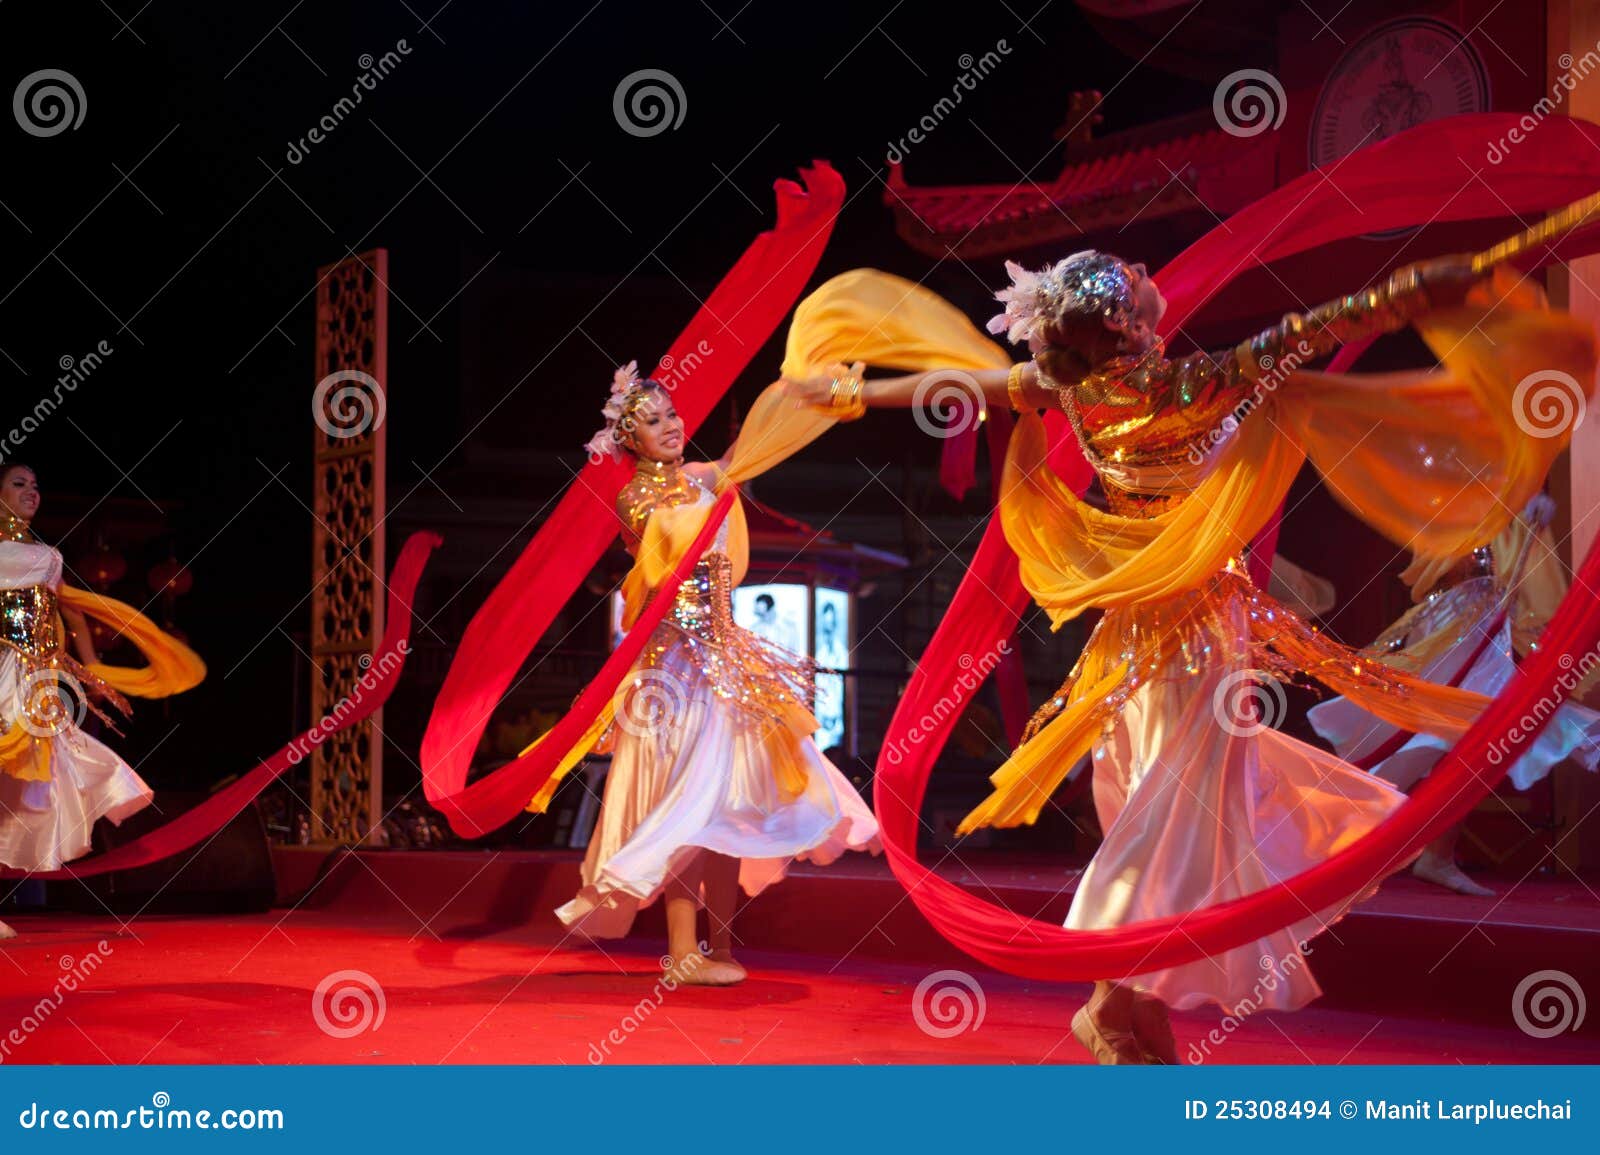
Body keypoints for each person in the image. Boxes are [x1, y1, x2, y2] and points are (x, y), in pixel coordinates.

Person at [783, 247, 1589, 1061]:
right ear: (1128, 321)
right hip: (1193, 632)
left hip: (1145, 626)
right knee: (1175, 811)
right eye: (1136, 280)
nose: (1148, 275)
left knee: (1170, 802)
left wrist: (852, 392)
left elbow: (960, 388)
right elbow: (1309, 332)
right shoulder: (1186, 385)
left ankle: (1141, 1010)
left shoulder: (1076, 389)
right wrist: (1414, 291)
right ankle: (1106, 995)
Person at [544, 364, 879, 985]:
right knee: (687, 803)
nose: (670, 427)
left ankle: (719, 947)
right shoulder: (636, 500)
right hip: (676, 671)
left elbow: (751, 447)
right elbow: (664, 565)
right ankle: (681, 953)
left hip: (728, 659)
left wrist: (806, 396)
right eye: (653, 422)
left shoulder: (703, 476)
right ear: (630, 440)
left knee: (730, 803)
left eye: (672, 415)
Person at [1307, 493, 1600, 895]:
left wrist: (1523, 517)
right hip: (1457, 619)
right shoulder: (1459, 473)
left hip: (1486, 618)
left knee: (1473, 737)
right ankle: (1346, 842)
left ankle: (1427, 854)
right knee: (1445, 730)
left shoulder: (1507, 477)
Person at [0, 463, 205, 938]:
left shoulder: (47, 556)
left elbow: (69, 611)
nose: (32, 491)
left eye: (35, 483)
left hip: (36, 684)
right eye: (18, 484)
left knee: (34, 786)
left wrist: (89, 671)